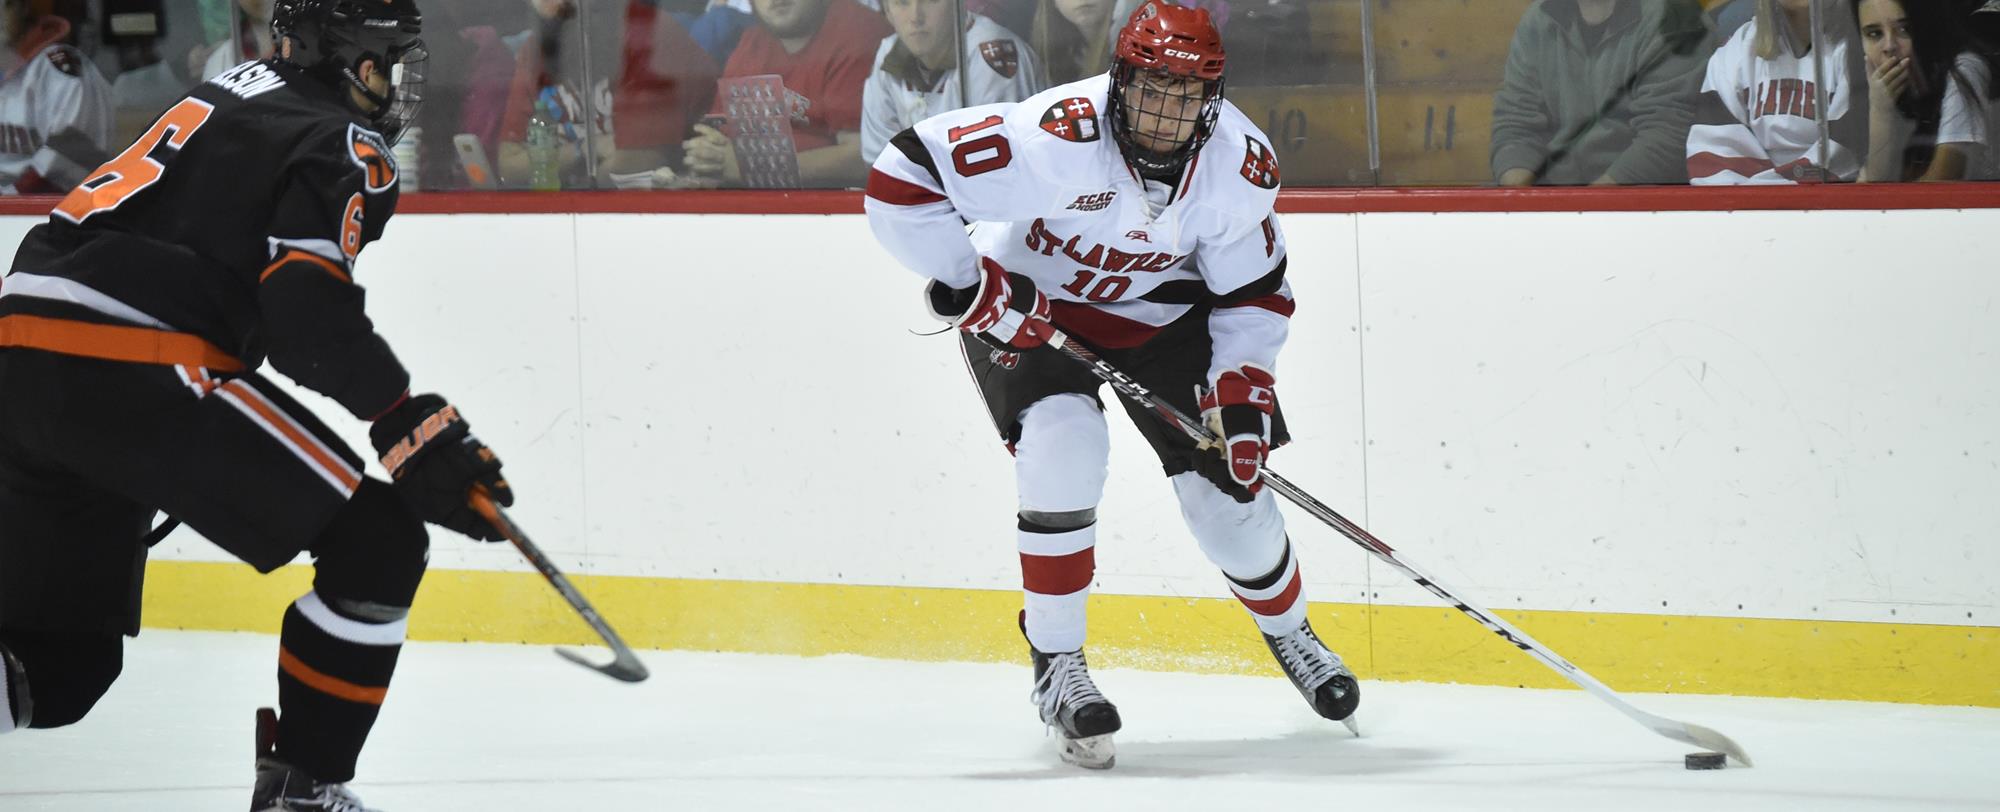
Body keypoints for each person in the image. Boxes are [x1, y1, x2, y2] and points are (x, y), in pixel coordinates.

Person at [0, 2, 514, 810]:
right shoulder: (342, 139)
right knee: (377, 542)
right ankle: (304, 792)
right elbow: (305, 316)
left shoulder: (232, 92)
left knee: (58, 668)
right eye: (385, 60)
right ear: (346, 58)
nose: (393, 80)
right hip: (136, 352)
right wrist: (407, 426)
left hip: (19, 350)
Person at [865, 0, 1357, 770]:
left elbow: (1253, 294)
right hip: (1033, 308)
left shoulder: (1239, 164)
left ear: (1214, 101)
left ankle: (1292, 631)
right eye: (1150, 87)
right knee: (1063, 448)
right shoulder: (1053, 137)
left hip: (1164, 318)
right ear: (1118, 79)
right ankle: (1057, 667)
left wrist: (1242, 389)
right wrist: (972, 284)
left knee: (1227, 498)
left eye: (1186, 93)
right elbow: (902, 175)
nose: (1165, 110)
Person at [1490, 0, 1709, 186]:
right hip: (1556, 204)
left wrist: (1584, 212)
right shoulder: (1540, 19)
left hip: (1646, 208)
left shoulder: (1677, 19)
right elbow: (1515, 125)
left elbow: (1668, 136)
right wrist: (1521, 201)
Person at [680, 0, 890, 187]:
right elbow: (721, 140)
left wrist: (757, 168)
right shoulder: (753, 40)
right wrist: (709, 155)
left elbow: (863, 158)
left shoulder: (856, 31)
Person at [1686, 0, 1862, 183]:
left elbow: (1845, 158)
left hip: (1833, 206)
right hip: (1749, 207)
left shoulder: (1859, 46)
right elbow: (1714, 161)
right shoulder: (1738, 49)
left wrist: (1769, 196)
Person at [860, 0, 1044, 164]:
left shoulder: (991, 52)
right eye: (902, 2)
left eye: (931, 1)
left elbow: (992, 160)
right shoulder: (888, 51)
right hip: (925, 193)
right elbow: (880, 156)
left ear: (958, 5)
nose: (916, 17)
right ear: (887, 11)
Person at [1852, 0, 2000, 181]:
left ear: (1925, 30)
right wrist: (1880, 111)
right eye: (1874, 34)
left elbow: (1938, 185)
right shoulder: (1865, 85)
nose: (1889, 46)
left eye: (1904, 29)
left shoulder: (1964, 70)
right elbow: (1869, 192)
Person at [0, 0, 113, 193]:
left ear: (23, 9)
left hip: (54, 211)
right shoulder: (7, 66)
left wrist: (7, 197)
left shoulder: (62, 70)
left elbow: (64, 162)